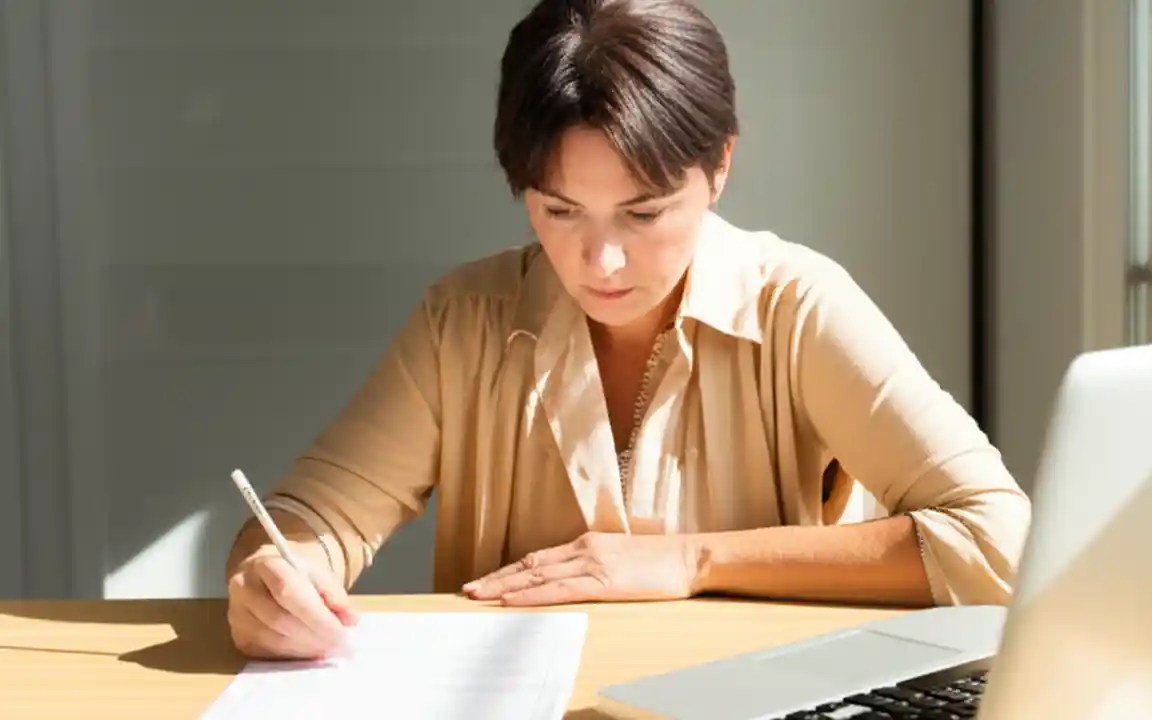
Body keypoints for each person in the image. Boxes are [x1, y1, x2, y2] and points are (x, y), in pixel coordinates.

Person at [224, 0, 1032, 661]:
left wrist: (693, 560)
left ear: (719, 165)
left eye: (643, 213)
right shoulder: (463, 320)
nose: (601, 260)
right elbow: (310, 522)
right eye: (559, 211)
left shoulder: (797, 306)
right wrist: (275, 578)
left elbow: (1000, 539)